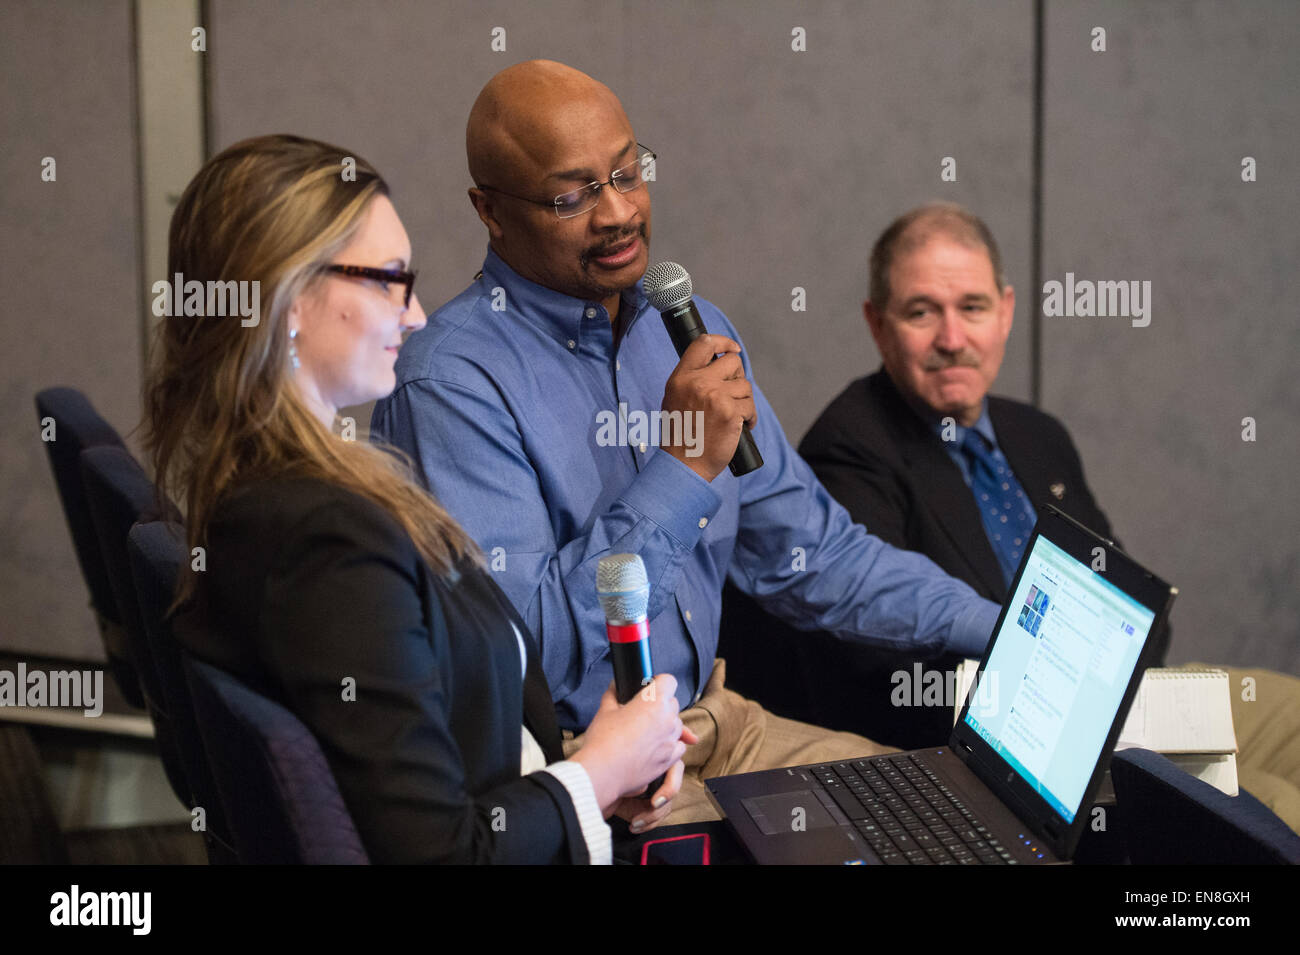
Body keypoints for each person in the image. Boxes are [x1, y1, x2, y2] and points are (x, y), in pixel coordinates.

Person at [370, 61, 1002, 824]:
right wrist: (683, 466)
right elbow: (521, 650)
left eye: (628, 173)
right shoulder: (451, 383)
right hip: (584, 768)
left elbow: (816, 555)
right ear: (491, 211)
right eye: (573, 196)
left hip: (718, 722)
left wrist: (1003, 628)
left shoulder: (691, 328)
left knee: (952, 817)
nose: (617, 213)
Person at [142, 134, 694, 864]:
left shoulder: (281, 492)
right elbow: (437, 853)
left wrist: (587, 774)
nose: (416, 315)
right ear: (288, 296)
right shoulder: (322, 535)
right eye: (391, 280)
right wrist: (597, 776)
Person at [793, 202, 1300, 828]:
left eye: (972, 308)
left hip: (1128, 697)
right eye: (922, 312)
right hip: (1021, 746)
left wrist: (1116, 677)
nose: (952, 339)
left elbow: (1126, 588)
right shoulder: (850, 447)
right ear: (877, 324)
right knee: (1277, 807)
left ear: (1006, 312)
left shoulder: (1035, 434)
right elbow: (877, 677)